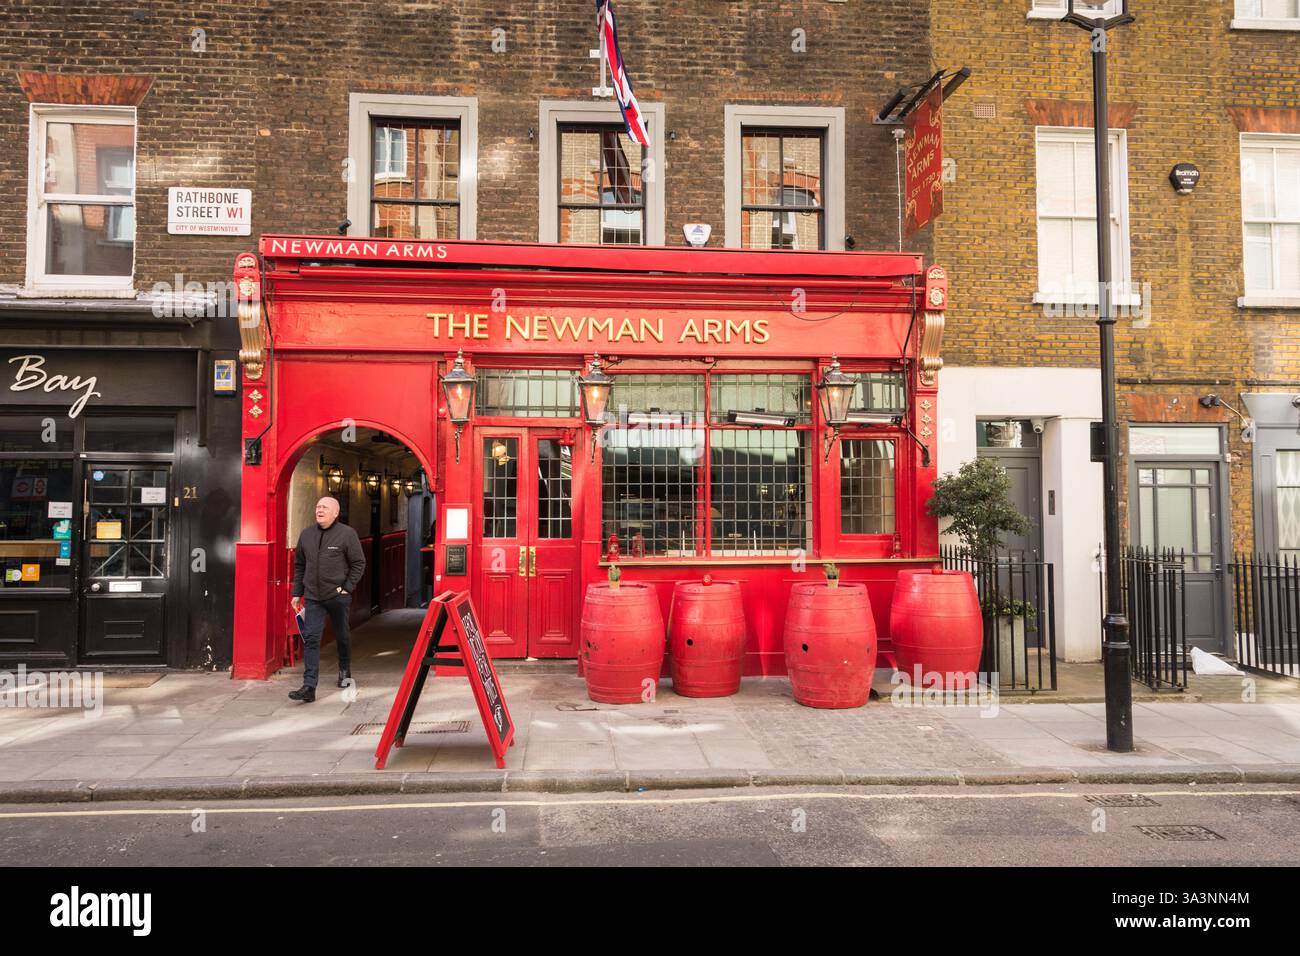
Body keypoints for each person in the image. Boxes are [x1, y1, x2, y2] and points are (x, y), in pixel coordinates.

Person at [288, 496, 366, 702]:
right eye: (317, 507)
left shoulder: (347, 534)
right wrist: (297, 592)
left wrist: (347, 588)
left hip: (337, 596)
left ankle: (344, 669)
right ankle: (309, 686)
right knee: (312, 638)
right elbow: (299, 565)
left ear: (335, 513)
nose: (319, 510)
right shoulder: (306, 535)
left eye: (324, 507)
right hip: (313, 596)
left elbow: (359, 563)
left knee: (342, 635)